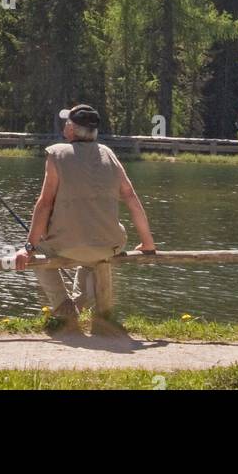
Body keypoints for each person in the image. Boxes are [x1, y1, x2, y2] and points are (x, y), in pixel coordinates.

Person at [14, 103, 156, 329]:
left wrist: (28, 247)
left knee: (37, 252)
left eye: (66, 122)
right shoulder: (108, 154)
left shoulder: (57, 154)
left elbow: (44, 204)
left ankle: (62, 306)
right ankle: (78, 304)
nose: (64, 126)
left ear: (71, 128)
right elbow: (131, 197)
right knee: (94, 258)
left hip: (66, 245)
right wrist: (148, 243)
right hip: (110, 245)